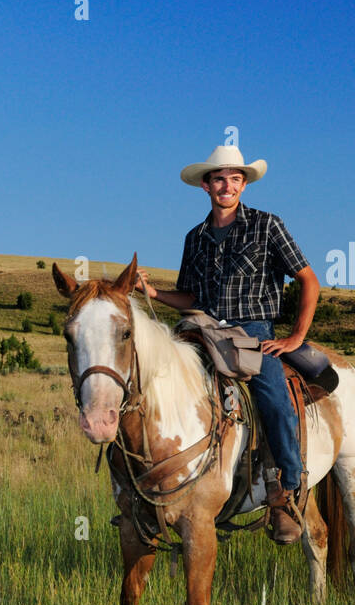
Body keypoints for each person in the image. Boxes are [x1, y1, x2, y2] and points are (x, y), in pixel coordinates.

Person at [137, 145, 320, 544]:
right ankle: (169, 492)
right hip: (202, 326)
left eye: (235, 178)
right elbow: (189, 296)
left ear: (243, 183)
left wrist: (294, 338)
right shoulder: (195, 238)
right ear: (206, 186)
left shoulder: (267, 225)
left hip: (253, 330)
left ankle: (287, 491)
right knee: (161, 385)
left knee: (273, 396)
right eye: (219, 178)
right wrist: (154, 292)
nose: (227, 185)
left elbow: (308, 279)